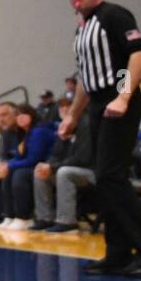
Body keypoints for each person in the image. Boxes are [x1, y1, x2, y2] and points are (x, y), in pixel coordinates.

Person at [58, 0, 141, 275]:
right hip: (96, 106)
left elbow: (139, 55)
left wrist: (122, 96)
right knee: (103, 178)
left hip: (118, 102)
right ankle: (118, 252)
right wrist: (72, 117)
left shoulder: (114, 15)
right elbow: (85, 78)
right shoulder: (82, 28)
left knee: (111, 176)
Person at [31, 99, 95, 233]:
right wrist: (47, 165)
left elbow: (83, 158)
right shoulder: (64, 126)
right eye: (61, 107)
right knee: (40, 172)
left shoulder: (87, 124)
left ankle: (67, 222)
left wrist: (53, 167)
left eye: (69, 106)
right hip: (70, 169)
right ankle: (45, 218)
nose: (64, 110)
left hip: (93, 171)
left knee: (63, 172)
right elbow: (55, 154)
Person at [0, 104, 57, 230]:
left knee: (19, 174)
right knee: (8, 172)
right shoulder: (25, 133)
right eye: (17, 115)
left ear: (32, 115)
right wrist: (6, 166)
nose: (20, 117)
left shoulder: (39, 131)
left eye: (23, 114)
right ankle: (10, 215)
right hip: (33, 166)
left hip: (46, 166)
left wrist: (9, 165)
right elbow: (20, 157)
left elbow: (33, 159)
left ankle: (24, 217)